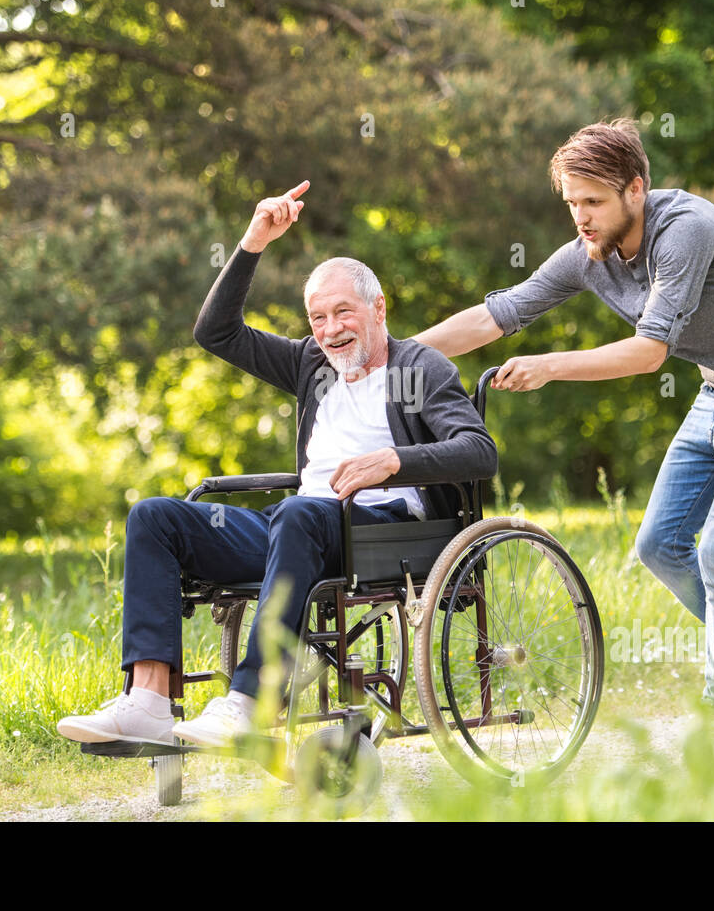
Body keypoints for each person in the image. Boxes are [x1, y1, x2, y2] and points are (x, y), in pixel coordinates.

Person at [413, 119, 714, 735]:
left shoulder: (685, 230)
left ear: (635, 190)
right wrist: (391, 358)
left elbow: (648, 353)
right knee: (658, 547)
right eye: (572, 203)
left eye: (594, 201)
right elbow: (497, 316)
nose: (581, 217)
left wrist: (549, 366)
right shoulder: (590, 255)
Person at [57, 180, 497, 749]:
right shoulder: (310, 363)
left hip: (384, 531)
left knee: (298, 513)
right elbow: (215, 332)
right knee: (154, 517)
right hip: (300, 526)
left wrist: (392, 462)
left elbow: (479, 452)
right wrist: (253, 242)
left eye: (344, 312)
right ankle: (147, 701)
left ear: (378, 308)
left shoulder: (420, 368)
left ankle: (246, 702)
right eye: (318, 317)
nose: (331, 330)